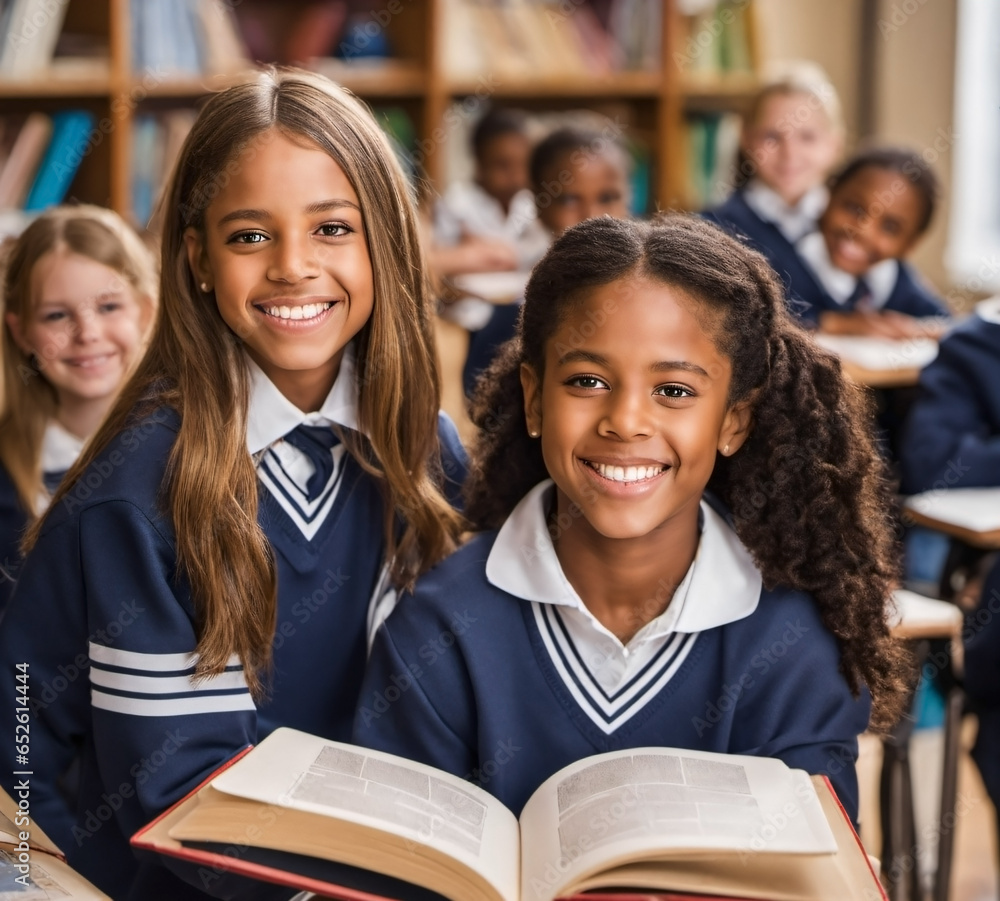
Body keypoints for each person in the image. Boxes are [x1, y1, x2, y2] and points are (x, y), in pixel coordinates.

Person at [0, 69, 466, 901]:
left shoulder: (426, 452)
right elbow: (131, 781)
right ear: (199, 259)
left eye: (332, 227)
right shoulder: (137, 494)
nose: (294, 266)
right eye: (250, 235)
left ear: (385, 245)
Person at [354, 214, 909, 830]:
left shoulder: (791, 642)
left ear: (734, 420)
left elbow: (809, 875)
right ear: (535, 400)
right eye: (587, 381)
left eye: (673, 390)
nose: (625, 420)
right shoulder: (438, 625)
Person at [0, 205, 157, 611]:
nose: (87, 334)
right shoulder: (7, 473)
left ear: (144, 312)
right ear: (20, 331)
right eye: (56, 315)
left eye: (108, 307)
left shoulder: (187, 453)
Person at [461, 125, 633, 396]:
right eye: (569, 200)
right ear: (538, 204)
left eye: (608, 197)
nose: (592, 215)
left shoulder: (647, 292)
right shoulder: (513, 312)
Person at [704, 64, 844, 306]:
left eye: (807, 137)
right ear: (746, 139)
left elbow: (922, 309)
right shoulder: (714, 227)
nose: (789, 154)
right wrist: (829, 323)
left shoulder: (861, 224)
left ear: (834, 145)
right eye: (771, 136)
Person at [791, 147, 949, 334]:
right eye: (853, 208)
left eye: (890, 227)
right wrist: (837, 324)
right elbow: (773, 321)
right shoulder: (786, 265)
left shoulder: (896, 279)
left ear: (909, 245)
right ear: (828, 196)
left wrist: (912, 329)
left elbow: (946, 322)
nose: (862, 231)